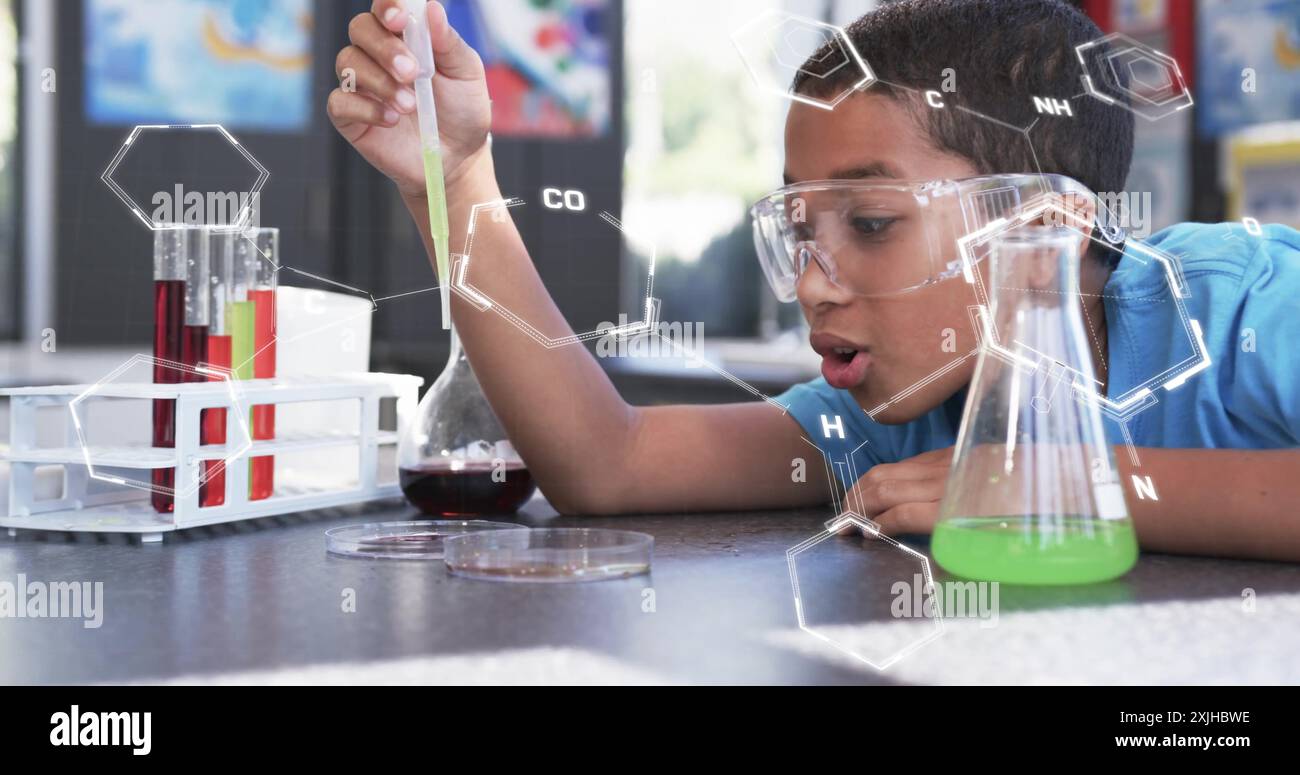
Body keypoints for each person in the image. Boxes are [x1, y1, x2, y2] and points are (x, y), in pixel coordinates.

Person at [328, 0, 1300, 561]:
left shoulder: (1244, 303)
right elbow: (606, 465)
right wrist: (455, 178)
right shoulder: (898, 409)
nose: (813, 283)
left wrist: (1055, 487)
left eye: (871, 224)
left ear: (1040, 226)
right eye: (800, 225)